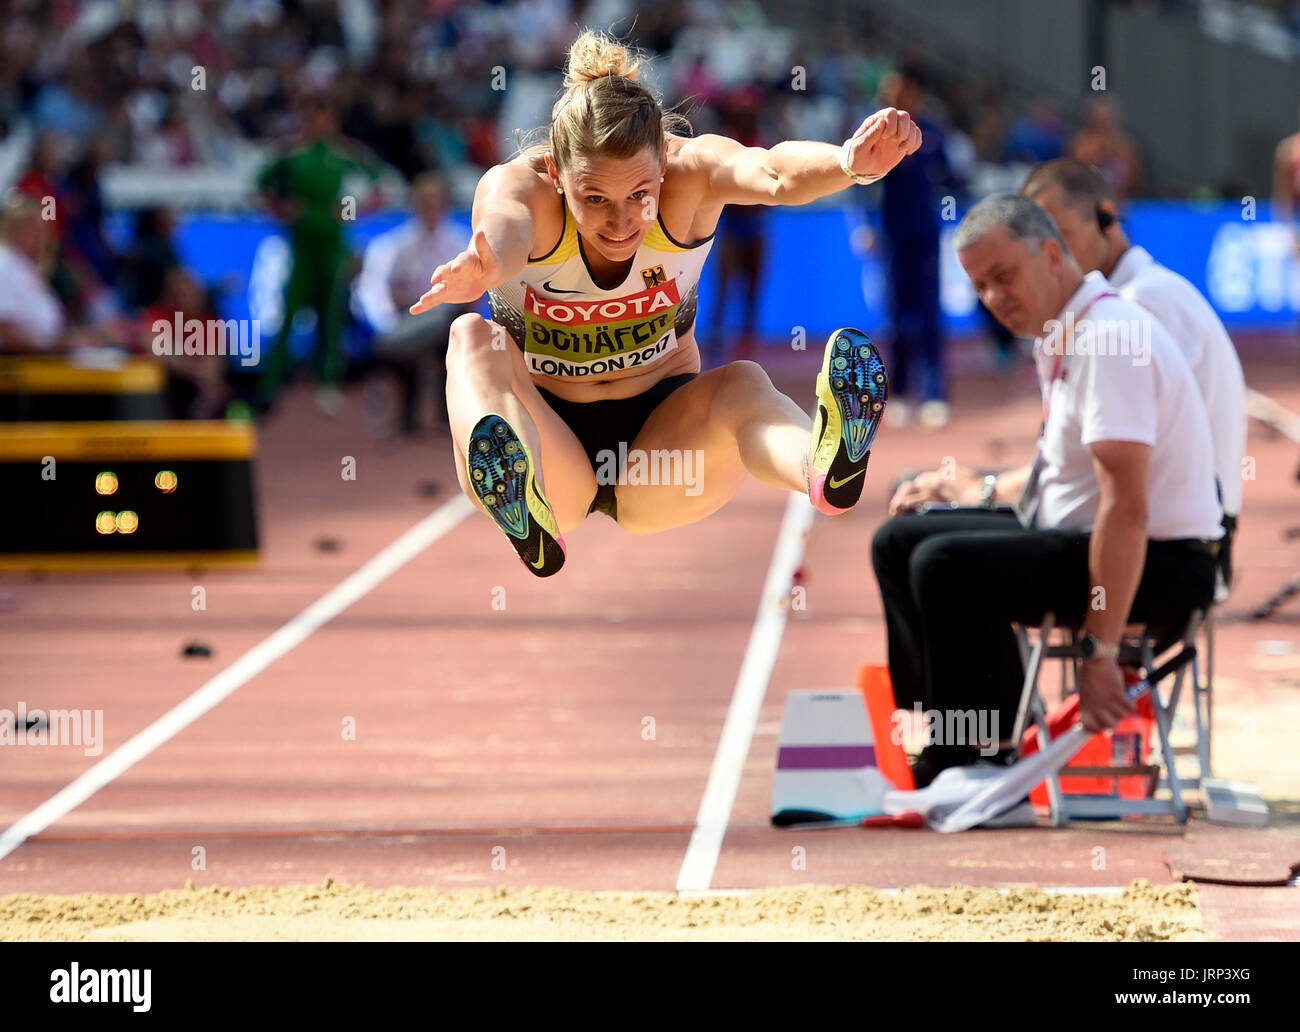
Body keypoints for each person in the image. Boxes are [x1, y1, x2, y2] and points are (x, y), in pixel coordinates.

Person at [408, 30, 920, 577]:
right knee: (470, 337)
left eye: (639, 195)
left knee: (743, 382)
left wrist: (849, 162)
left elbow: (771, 172)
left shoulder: (691, 174)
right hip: (551, 451)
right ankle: (518, 493)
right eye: (595, 199)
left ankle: (823, 469)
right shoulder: (518, 186)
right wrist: (486, 266)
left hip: (662, 457)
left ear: (662, 166)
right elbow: (503, 229)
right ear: (556, 175)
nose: (621, 221)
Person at [872, 195, 1223, 785]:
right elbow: (1060, 478)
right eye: (980, 286)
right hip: (1090, 538)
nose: (994, 299)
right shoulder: (1066, 333)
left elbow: (1127, 508)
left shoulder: (1109, 341)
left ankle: (983, 753)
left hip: (1163, 566)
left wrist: (1100, 653)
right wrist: (974, 488)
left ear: (1053, 254)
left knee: (945, 563)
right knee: (900, 540)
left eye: (1004, 277)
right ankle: (938, 732)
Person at [1022, 158, 1246, 583]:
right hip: (1172, 524)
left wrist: (989, 489)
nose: (1051, 256)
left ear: (1106, 219)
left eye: (1061, 235)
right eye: (1036, 244)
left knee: (953, 560)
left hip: (1178, 541)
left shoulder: (1139, 304)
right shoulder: (1127, 298)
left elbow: (1121, 465)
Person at [256, 95, 387, 415]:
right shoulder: (291, 154)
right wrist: (281, 209)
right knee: (289, 315)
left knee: (331, 317)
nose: (318, 124)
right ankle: (272, 383)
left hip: (332, 247)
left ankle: (327, 383)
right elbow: (262, 186)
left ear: (333, 121)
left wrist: (351, 210)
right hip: (301, 249)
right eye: (313, 117)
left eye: (324, 117)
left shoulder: (345, 154)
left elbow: (378, 188)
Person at [874, 62, 961, 429]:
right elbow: (861, 183)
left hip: (925, 236)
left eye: (910, 90)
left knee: (929, 316)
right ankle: (899, 394)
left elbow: (953, 177)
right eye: (898, 90)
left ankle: (935, 393)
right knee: (897, 319)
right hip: (893, 236)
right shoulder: (877, 132)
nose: (904, 96)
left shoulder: (933, 133)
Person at [353, 172, 471, 435]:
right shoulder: (398, 244)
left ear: (444, 205)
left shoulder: (460, 241)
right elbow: (386, 289)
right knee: (405, 346)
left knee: (451, 334)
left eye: (435, 202)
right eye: (424, 203)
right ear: (415, 206)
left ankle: (448, 415)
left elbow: (473, 290)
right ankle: (409, 417)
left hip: (449, 317)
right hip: (413, 314)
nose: (429, 209)